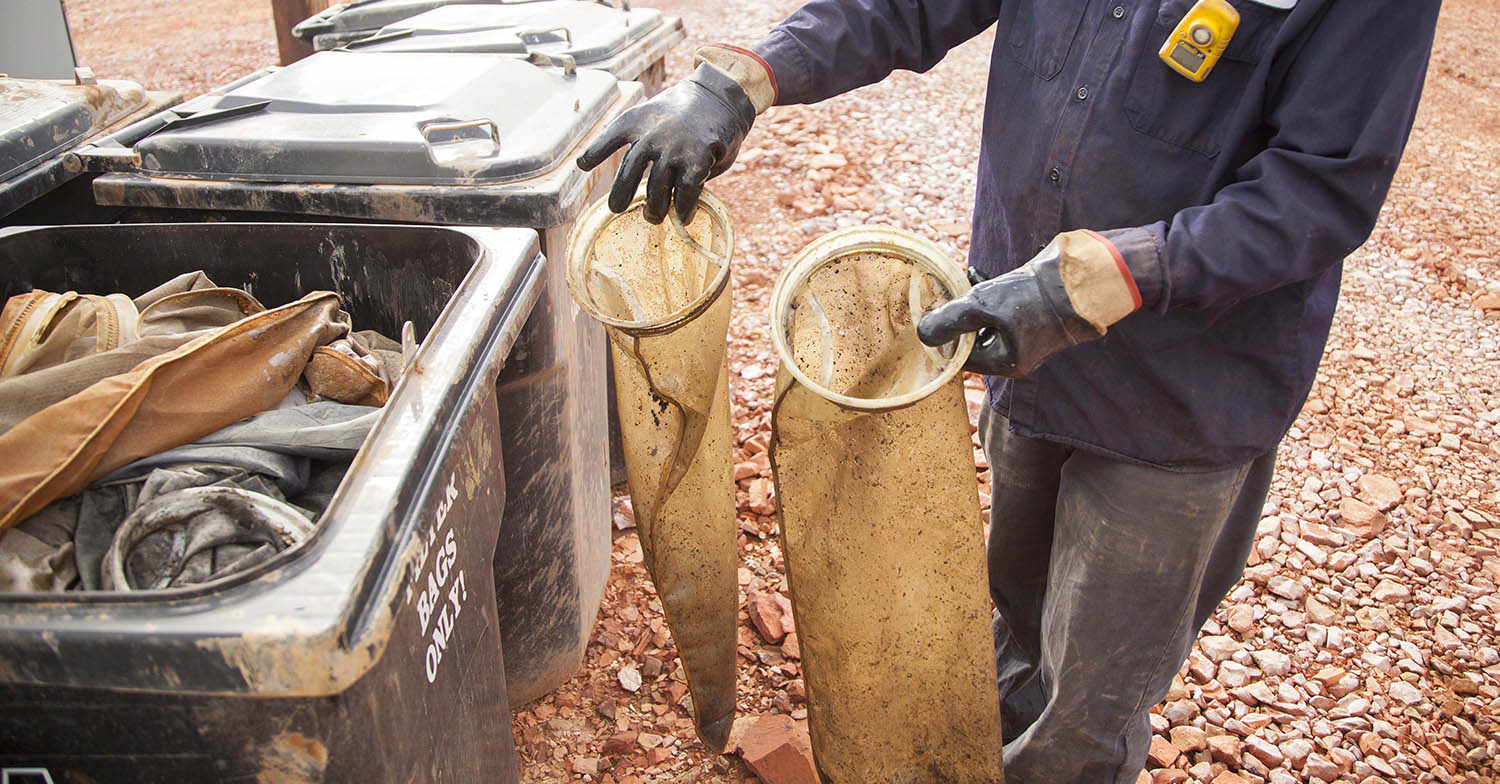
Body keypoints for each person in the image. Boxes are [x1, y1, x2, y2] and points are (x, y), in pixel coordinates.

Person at [578, 0, 1442, 780]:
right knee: (1016, 615)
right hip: (1028, 341)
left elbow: (1317, 191)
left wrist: (1100, 281)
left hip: (1184, 394)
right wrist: (743, 82)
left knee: (1089, 706)